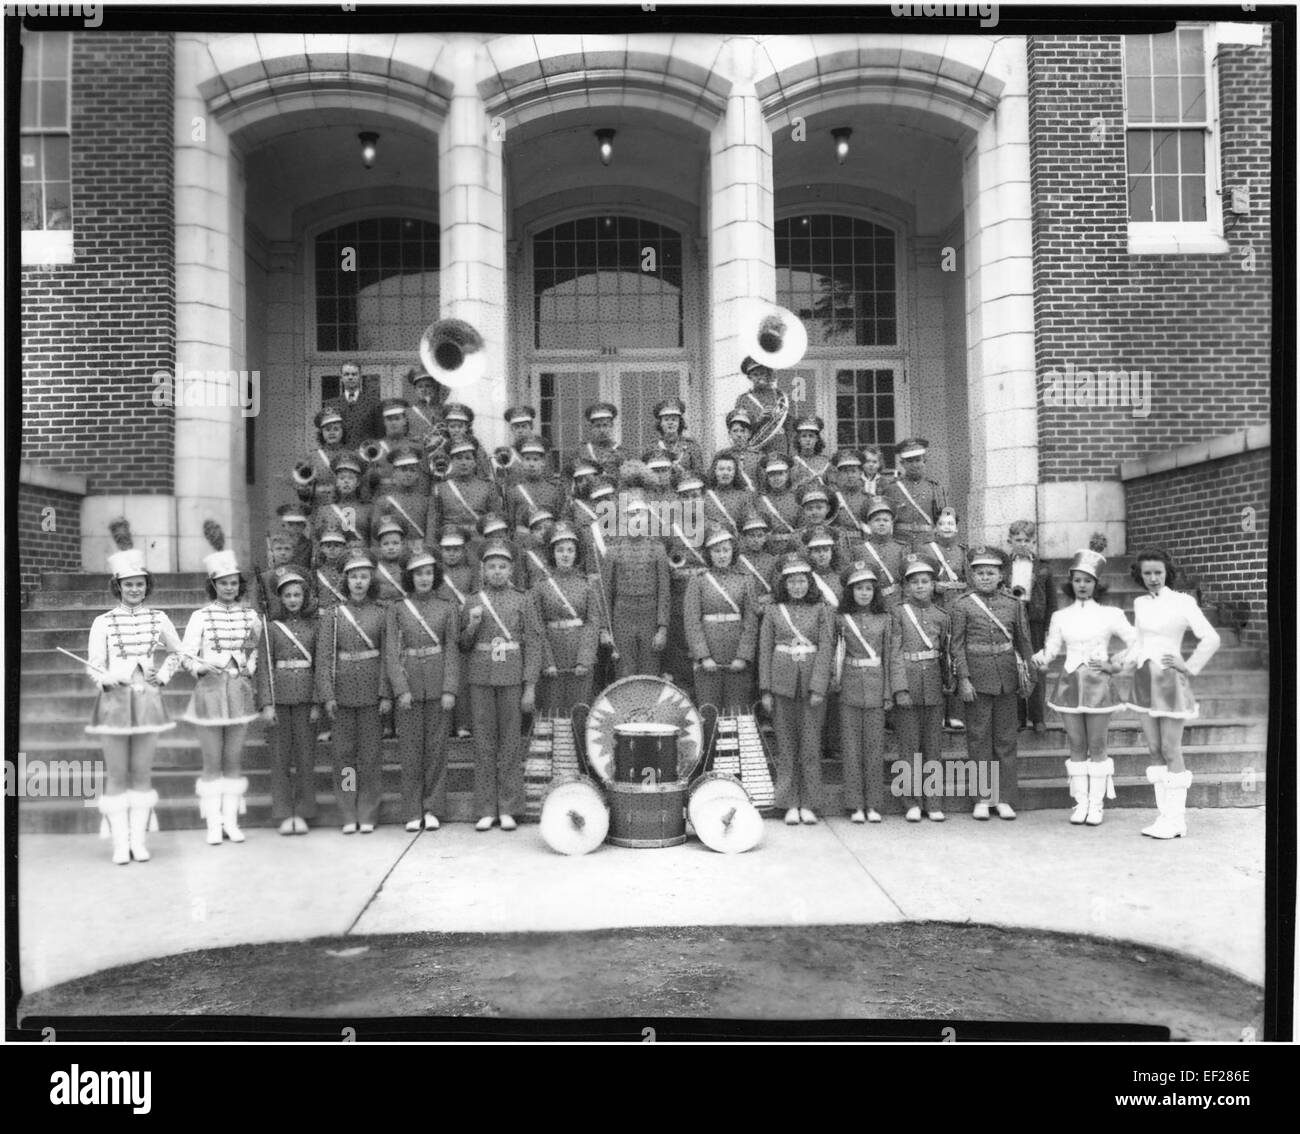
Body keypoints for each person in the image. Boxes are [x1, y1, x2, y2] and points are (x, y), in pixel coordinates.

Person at [85, 544, 181, 864]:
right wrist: (104, 679)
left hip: (147, 699)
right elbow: (94, 664)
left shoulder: (160, 618)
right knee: (116, 774)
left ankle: (138, 842)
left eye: (140, 583)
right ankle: (119, 843)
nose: (135, 589)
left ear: (146, 585)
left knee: (141, 772)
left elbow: (178, 652)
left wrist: (164, 675)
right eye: (128, 584)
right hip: (114, 700)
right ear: (118, 586)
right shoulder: (103, 622)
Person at [1033, 549, 1138, 827]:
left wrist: (1114, 664)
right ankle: (1080, 804)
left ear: (1096, 584)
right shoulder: (1060, 616)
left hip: (1098, 685)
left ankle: (1096, 805)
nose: (1082, 585)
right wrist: (1040, 658)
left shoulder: (1111, 614)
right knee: (1077, 744)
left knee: (1098, 744)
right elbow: (1052, 649)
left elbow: (1136, 642)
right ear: (1071, 583)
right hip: (1069, 684)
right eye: (1078, 580)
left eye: (1088, 581)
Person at [1123, 548, 1221, 840]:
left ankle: (1177, 820)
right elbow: (1139, 643)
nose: (1153, 578)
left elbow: (1211, 638)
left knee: (1170, 749)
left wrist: (1189, 667)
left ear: (1167, 573)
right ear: (1140, 576)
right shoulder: (1140, 603)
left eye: (1158, 572)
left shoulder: (1182, 601)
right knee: (1153, 749)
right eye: (1147, 574)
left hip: (1169, 681)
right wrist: (1116, 664)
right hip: (1144, 679)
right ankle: (1164, 817)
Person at [182, 535, 262, 846]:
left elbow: (257, 649)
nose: (229, 588)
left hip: (239, 690)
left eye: (233, 583)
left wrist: (250, 667)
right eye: (223, 583)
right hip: (210, 692)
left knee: (233, 759)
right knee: (212, 760)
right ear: (213, 585)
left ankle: (231, 822)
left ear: (239, 585)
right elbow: (186, 653)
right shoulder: (200, 617)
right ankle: (213, 824)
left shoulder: (250, 616)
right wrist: (199, 667)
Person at [460, 542, 541, 831]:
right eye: (491, 566)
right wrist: (471, 625)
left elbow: (533, 643)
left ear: (511, 569)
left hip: (511, 678)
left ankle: (508, 807)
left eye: (502, 566)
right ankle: (485, 808)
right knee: (483, 744)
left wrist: (529, 685)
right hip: (480, 677)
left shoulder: (523, 599)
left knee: (509, 743)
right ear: (483, 569)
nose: (497, 571)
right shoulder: (472, 601)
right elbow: (464, 646)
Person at [950, 547, 1034, 821]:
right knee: (978, 739)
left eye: (991, 573)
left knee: (1006, 740)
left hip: (1007, 678)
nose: (985, 577)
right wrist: (963, 678)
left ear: (1001, 576)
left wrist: (1029, 677)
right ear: (972, 575)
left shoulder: (1013, 604)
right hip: (976, 678)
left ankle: (1005, 798)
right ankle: (982, 798)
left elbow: (1024, 643)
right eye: (980, 573)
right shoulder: (962, 605)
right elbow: (957, 646)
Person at [386, 547, 460, 833]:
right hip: (410, 686)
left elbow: (452, 649)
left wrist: (450, 688)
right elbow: (392, 653)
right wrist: (400, 688)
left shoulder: (448, 607)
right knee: (410, 752)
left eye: (429, 572)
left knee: (436, 752)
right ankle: (412, 809)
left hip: (439, 684)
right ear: (409, 577)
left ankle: (433, 809)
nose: (424, 578)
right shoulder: (397, 608)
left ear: (436, 575)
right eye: (418, 574)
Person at [316, 552, 392, 834]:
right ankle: (349, 810)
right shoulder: (334, 615)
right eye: (353, 577)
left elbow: (388, 656)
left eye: (363, 576)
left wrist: (386, 693)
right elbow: (324, 657)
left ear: (370, 579)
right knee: (344, 758)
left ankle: (368, 811)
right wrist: (327, 695)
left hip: (372, 692)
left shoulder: (382, 612)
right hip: (342, 692)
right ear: (345, 580)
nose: (358, 582)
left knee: (371, 757)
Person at [759, 554, 834, 825]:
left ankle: (811, 803)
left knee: (811, 746)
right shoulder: (773, 611)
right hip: (782, 683)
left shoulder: (822, 610)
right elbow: (765, 649)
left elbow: (826, 649)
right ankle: (789, 802)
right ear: (784, 584)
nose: (797, 587)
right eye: (792, 582)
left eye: (802, 581)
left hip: (812, 684)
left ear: (810, 583)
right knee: (787, 745)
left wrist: (818, 686)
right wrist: (766, 690)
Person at [835, 562, 901, 823]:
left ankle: (873, 803)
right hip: (849, 684)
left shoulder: (885, 619)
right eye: (858, 589)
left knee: (874, 748)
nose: (864, 593)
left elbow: (889, 657)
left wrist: (888, 692)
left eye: (868, 589)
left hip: (876, 686)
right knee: (851, 748)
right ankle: (854, 804)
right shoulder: (840, 619)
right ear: (850, 592)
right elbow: (835, 654)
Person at [255, 567, 320, 835]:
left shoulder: (313, 627)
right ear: (280, 599)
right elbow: (263, 668)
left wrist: (317, 702)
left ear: (305, 598)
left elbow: (321, 665)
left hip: (306, 697)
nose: (293, 600)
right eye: (288, 595)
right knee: (280, 759)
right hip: (280, 697)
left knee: (305, 757)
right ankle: (284, 812)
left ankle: (303, 811)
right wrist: (267, 703)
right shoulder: (270, 628)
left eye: (297, 595)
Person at [892, 553, 954, 821]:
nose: (920, 586)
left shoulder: (942, 615)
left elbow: (947, 653)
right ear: (906, 586)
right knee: (908, 746)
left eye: (925, 581)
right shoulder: (898, 613)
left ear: (933, 585)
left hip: (933, 686)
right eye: (914, 582)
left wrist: (948, 682)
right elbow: (893, 653)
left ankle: (933, 801)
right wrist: (899, 688)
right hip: (908, 681)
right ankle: (910, 802)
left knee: (933, 746)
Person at [685, 524, 760, 713]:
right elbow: (692, 620)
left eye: (726, 550)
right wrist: (703, 656)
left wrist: (743, 656)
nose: (722, 555)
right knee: (709, 708)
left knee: (738, 709)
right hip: (709, 652)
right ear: (709, 554)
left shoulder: (745, 579)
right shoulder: (699, 580)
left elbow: (751, 621)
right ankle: (710, 742)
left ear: (733, 552)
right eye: (716, 551)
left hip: (737, 652)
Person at [531, 522, 600, 713]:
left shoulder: (586, 586)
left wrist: (584, 659)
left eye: (570, 550)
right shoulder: (541, 586)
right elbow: (537, 626)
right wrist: (547, 661)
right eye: (560, 550)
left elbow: (592, 623)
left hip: (580, 649)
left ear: (577, 554)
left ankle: (578, 742)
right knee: (552, 707)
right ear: (552, 553)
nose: (565, 554)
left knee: (579, 706)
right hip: (552, 650)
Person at [602, 489, 671, 678]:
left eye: (641, 514)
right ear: (624, 519)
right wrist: (604, 628)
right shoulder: (613, 551)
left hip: (649, 613)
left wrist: (662, 628)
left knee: (650, 669)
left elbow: (664, 592)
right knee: (624, 669)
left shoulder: (658, 549)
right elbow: (606, 592)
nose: (636, 519)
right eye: (631, 514)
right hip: (622, 613)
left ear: (648, 519)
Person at [1007, 519, 1056, 732]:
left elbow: (1052, 601)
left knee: (1035, 666)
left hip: (1035, 621)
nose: (1022, 544)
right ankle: (1018, 716)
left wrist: (1049, 627)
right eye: (1018, 540)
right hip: (1012, 621)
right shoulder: (1003, 565)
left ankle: (1037, 717)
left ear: (1033, 542)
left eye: (1027, 540)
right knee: (1015, 665)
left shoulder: (1043, 567)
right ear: (1010, 541)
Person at [926, 507, 969, 731]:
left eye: (951, 524)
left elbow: (970, 582)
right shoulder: (927, 550)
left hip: (957, 608)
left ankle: (955, 712)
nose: (946, 528)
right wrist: (934, 586)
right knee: (936, 656)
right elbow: (918, 578)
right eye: (942, 524)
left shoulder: (964, 552)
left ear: (957, 527)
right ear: (935, 527)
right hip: (935, 606)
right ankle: (938, 712)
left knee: (956, 656)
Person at [429, 438, 499, 545]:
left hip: (478, 543)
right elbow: (434, 523)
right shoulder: (440, 488)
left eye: (468, 458)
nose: (463, 463)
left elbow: (495, 522)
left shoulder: (488, 487)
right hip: (450, 542)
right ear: (451, 461)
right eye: (458, 458)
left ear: (475, 462)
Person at [884, 438, 948, 548]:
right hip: (900, 543)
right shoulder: (892, 488)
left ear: (924, 461)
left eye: (918, 460)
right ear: (902, 463)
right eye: (909, 461)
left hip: (926, 543)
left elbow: (942, 521)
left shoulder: (934, 488)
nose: (914, 465)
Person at [371, 443, 431, 547]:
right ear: (394, 472)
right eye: (403, 470)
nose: (408, 474)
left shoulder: (425, 501)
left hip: (420, 552)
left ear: (417, 474)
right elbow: (376, 535)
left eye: (412, 470)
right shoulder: (384, 501)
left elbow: (430, 534)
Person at [504, 435, 562, 537]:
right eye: (527, 459)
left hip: (547, 540)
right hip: (523, 542)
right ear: (522, 462)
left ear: (543, 462)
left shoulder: (554, 490)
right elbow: (511, 525)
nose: (531, 464)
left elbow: (559, 521)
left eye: (535, 459)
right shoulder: (513, 491)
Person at [294, 403, 350, 508]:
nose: (332, 433)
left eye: (336, 429)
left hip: (344, 508)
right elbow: (303, 495)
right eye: (327, 430)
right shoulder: (312, 457)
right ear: (321, 433)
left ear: (343, 431)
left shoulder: (350, 455)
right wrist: (303, 490)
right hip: (319, 508)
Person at [857, 496, 906, 608]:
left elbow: (907, 581)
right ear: (869, 523)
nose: (881, 524)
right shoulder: (859, 550)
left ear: (892, 523)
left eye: (885, 520)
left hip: (896, 602)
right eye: (877, 520)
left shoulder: (901, 548)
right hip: (869, 603)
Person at [735, 356, 788, 454]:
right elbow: (740, 429)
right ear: (749, 377)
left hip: (780, 445)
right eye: (755, 374)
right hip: (757, 448)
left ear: (768, 375)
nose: (759, 377)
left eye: (762, 373)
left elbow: (789, 426)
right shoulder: (743, 399)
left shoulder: (780, 396)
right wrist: (759, 420)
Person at [568, 402, 627, 481]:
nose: (602, 430)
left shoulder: (621, 452)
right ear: (591, 428)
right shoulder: (581, 451)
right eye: (597, 426)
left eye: (605, 425)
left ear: (612, 426)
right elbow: (567, 479)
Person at [331, 360, 382, 452]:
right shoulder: (332, 405)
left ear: (360, 377)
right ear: (341, 378)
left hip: (366, 456)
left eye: (354, 374)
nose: (350, 377)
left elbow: (379, 434)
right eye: (346, 374)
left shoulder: (373, 403)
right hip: (340, 456)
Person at [755, 452, 801, 555]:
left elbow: (803, 529)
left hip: (793, 551)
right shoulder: (759, 501)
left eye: (780, 473)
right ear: (767, 477)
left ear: (787, 475)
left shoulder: (797, 499)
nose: (776, 478)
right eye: (772, 474)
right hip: (766, 552)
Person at [650, 396, 704, 476]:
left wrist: (683, 472)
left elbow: (700, 474)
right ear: (660, 423)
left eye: (674, 419)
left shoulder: (691, 446)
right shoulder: (653, 447)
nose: (670, 423)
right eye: (666, 420)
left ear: (680, 423)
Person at [703, 450, 752, 534]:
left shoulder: (743, 497)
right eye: (721, 469)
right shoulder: (704, 496)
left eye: (729, 469)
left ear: (735, 473)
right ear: (714, 471)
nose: (725, 473)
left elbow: (747, 526)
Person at [724, 408, 763, 491]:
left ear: (749, 434)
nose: (739, 435)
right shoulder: (722, 455)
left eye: (743, 431)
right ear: (729, 433)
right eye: (735, 431)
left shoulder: (759, 457)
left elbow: (763, 485)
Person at [788, 415, 831, 488]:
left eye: (811, 436)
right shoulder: (792, 463)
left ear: (817, 439)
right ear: (798, 439)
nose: (808, 439)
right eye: (804, 436)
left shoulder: (826, 462)